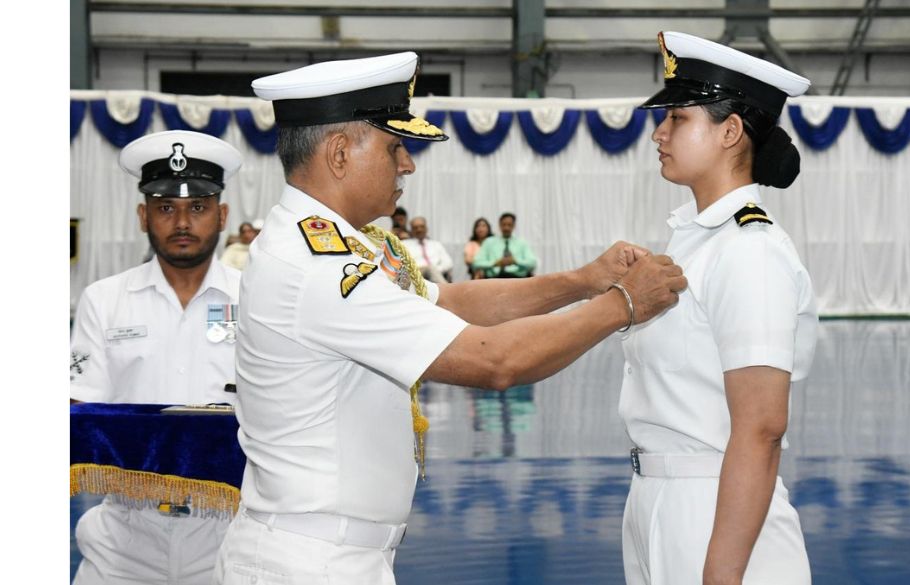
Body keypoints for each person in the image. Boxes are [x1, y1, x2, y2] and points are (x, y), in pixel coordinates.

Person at [214, 51, 687, 585]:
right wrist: (623, 303)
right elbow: (495, 361)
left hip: (333, 551)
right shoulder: (317, 266)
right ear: (340, 153)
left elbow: (452, 303)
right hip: (307, 559)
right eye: (396, 147)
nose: (408, 164)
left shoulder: (345, 247)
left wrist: (584, 280)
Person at [618, 32, 819, 585]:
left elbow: (761, 427)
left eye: (678, 118)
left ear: (731, 131)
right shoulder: (690, 241)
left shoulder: (749, 249)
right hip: (659, 501)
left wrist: (721, 575)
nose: (659, 133)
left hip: (718, 512)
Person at [70, 130, 243, 585]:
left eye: (198, 208)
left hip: (230, 532)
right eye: (166, 208)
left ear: (222, 215)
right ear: (143, 216)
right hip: (126, 536)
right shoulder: (104, 300)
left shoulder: (258, 300)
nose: (182, 222)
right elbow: (82, 408)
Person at [472, 212, 537, 278]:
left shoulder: (522, 243)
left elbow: (533, 263)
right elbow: (476, 263)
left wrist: (515, 261)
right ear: (499, 225)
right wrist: (494, 263)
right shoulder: (489, 242)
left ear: (514, 226)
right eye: (504, 224)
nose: (506, 228)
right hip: (494, 280)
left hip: (518, 279)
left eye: (509, 225)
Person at [402, 215, 454, 283]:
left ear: (426, 228)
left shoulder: (436, 244)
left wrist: (436, 270)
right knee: (429, 269)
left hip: (436, 273)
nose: (419, 230)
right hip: (416, 274)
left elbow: (448, 262)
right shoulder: (404, 244)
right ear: (411, 230)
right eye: (415, 227)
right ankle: (447, 290)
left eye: (422, 227)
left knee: (431, 269)